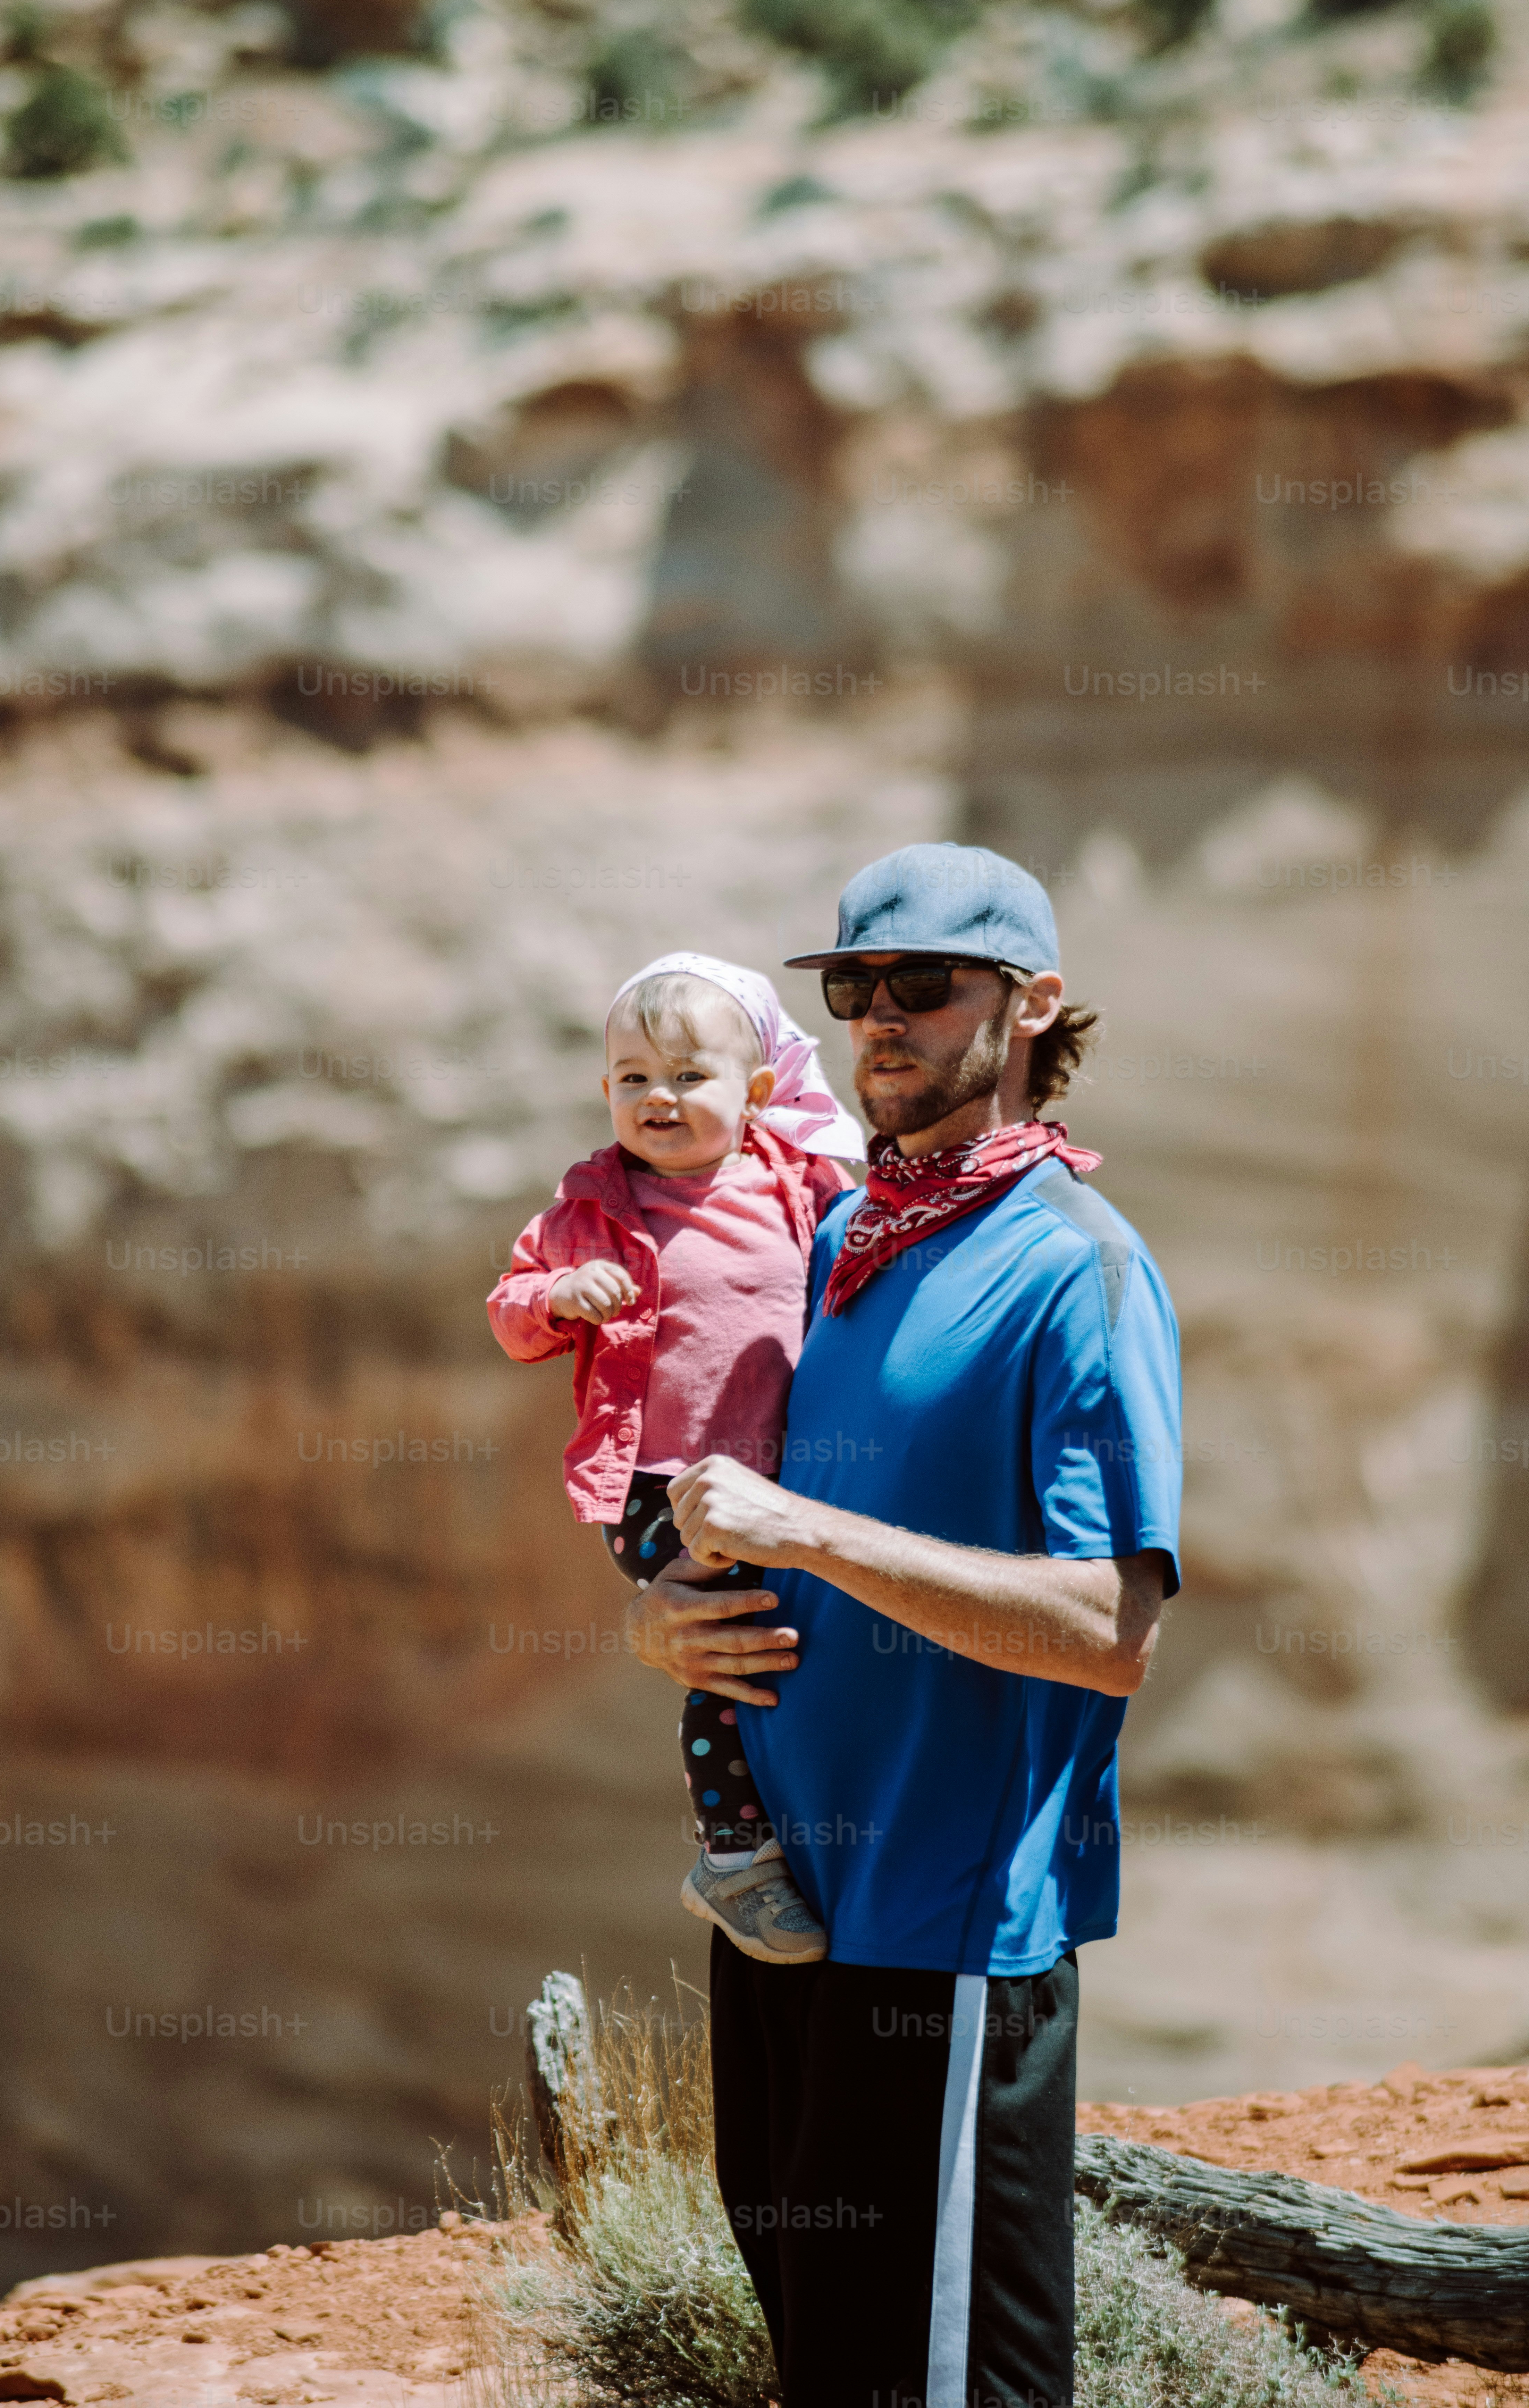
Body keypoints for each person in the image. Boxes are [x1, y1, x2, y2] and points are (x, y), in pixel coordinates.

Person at [625, 845, 1182, 2408]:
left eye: (926, 987)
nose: (884, 1020)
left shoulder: (1078, 1268)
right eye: (856, 988)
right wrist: (670, 1622)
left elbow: (1108, 1630)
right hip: (781, 1915)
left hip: (942, 1935)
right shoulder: (831, 1240)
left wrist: (807, 1529)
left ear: (1032, 1006)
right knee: (829, 2370)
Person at [486, 950, 864, 1962]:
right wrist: (560, 1299)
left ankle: (805, 1824)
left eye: (690, 1076)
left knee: (796, 1632)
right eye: (633, 1078)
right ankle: (732, 1853)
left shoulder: (799, 1184)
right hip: (658, 1485)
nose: (659, 1097)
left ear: (757, 1093)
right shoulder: (592, 1212)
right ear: (605, 1090)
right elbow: (512, 1318)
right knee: (719, 1630)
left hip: (788, 1477)